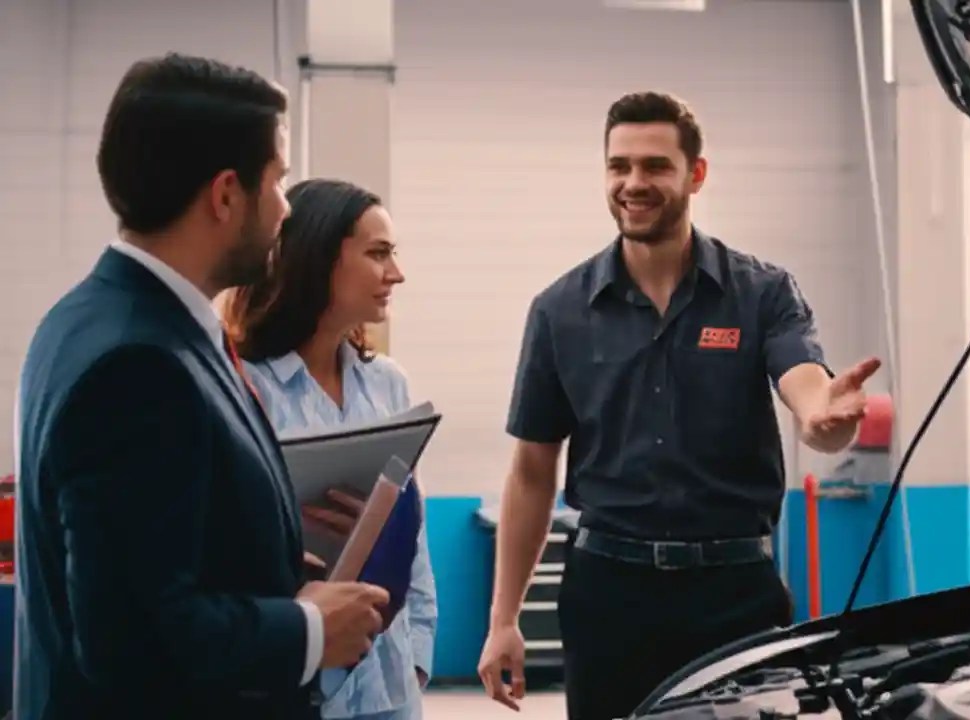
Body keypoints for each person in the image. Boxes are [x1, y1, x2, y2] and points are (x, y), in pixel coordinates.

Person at [476, 91, 881, 719]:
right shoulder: (559, 311)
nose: (633, 183)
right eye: (619, 166)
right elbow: (531, 473)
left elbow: (805, 388)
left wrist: (822, 417)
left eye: (655, 166)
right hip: (609, 596)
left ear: (696, 174)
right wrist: (504, 619)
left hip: (735, 596)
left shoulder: (762, 293)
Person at [13, 53, 391, 720]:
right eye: (278, 181)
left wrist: (273, 569)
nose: (286, 210)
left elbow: (156, 556)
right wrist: (308, 631)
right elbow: (130, 640)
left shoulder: (98, 320)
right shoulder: (136, 365)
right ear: (225, 195)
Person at [222, 178, 437, 720]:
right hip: (293, 680)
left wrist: (417, 656)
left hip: (390, 686)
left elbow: (415, 539)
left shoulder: (387, 384)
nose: (396, 273)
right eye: (378, 254)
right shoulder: (243, 387)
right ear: (318, 260)